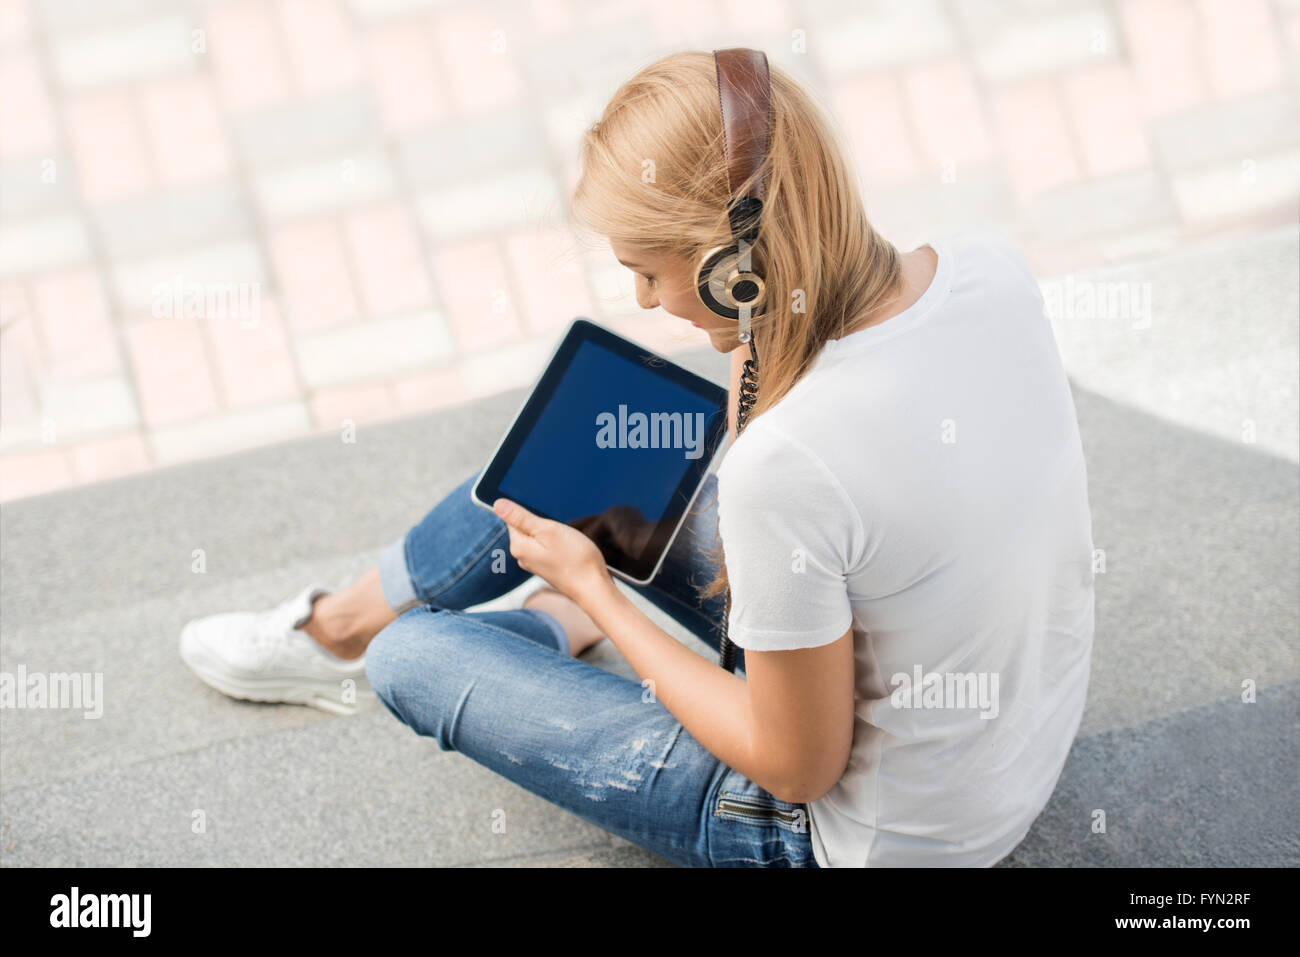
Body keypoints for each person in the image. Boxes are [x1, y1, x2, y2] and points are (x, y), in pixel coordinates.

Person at [178, 50, 1096, 868]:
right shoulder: (987, 266)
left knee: (409, 660)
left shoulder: (792, 465)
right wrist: (747, 329)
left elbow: (797, 765)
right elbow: (835, 466)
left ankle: (524, 626)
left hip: (856, 834)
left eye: (649, 272)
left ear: (733, 269)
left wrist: (599, 595)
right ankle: (339, 622)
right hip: (996, 750)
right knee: (592, 429)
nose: (646, 300)